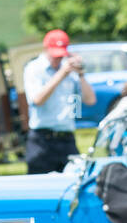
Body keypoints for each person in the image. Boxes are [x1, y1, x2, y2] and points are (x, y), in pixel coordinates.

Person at [21, 29, 95, 174]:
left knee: (73, 184)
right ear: (46, 48)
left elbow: (90, 100)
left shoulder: (70, 70)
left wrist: (81, 75)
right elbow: (37, 100)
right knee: (39, 186)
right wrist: (61, 74)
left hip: (66, 138)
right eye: (55, 55)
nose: (58, 59)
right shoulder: (34, 68)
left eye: (61, 56)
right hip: (42, 139)